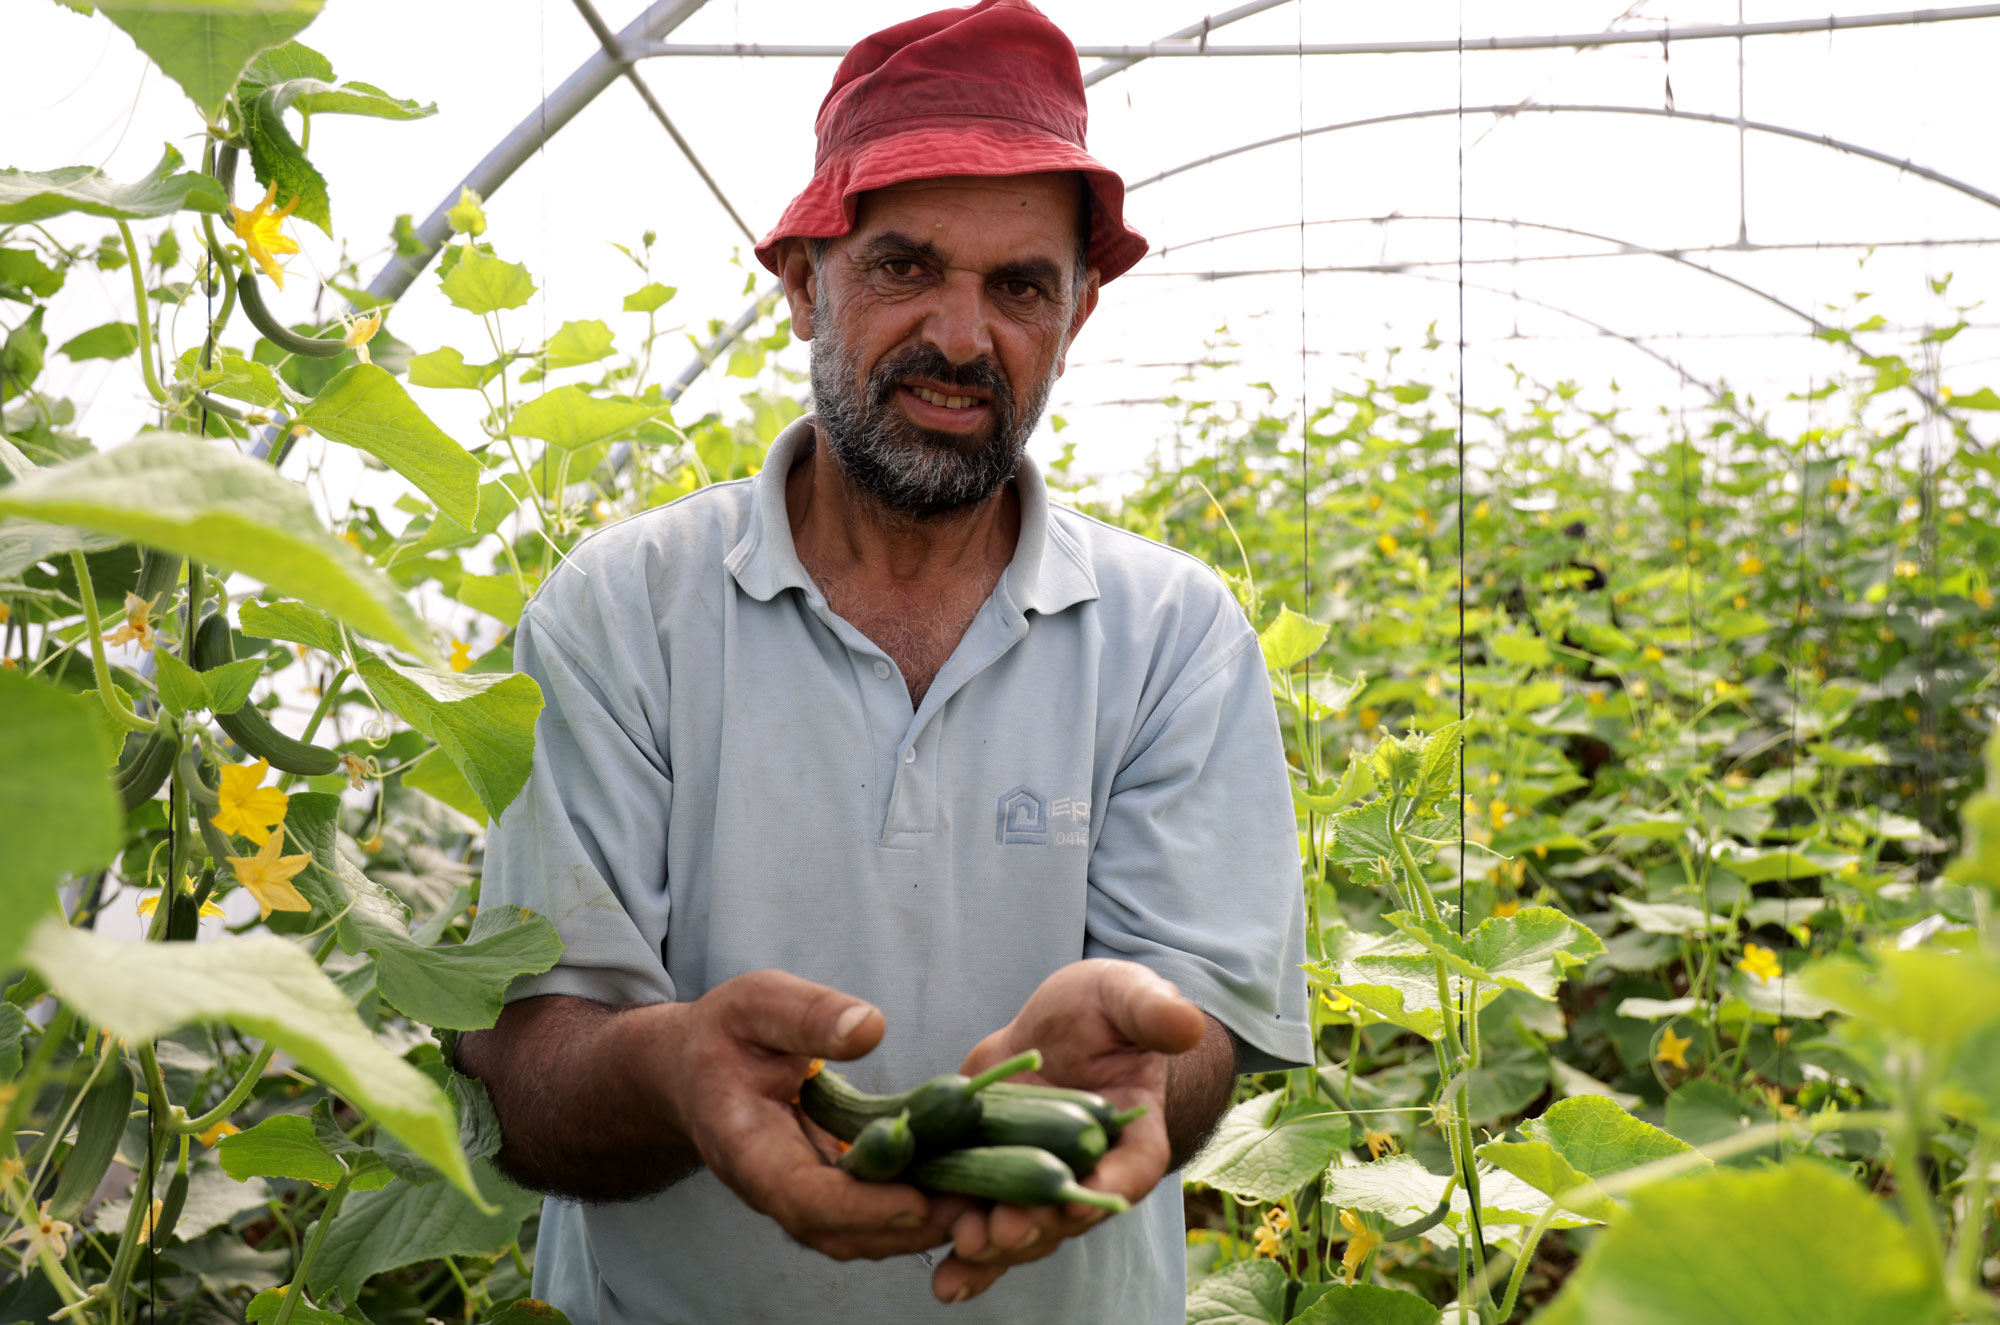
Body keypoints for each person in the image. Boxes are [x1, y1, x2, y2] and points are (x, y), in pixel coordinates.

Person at [458, 2, 1310, 1320]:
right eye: (906, 266)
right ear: (805, 279)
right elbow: (526, 1078)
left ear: (1077, 315)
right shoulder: (621, 614)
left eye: (1022, 285)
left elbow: (1193, 1033)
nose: (963, 339)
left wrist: (1152, 1057)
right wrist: (679, 1065)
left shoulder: (1173, 634)